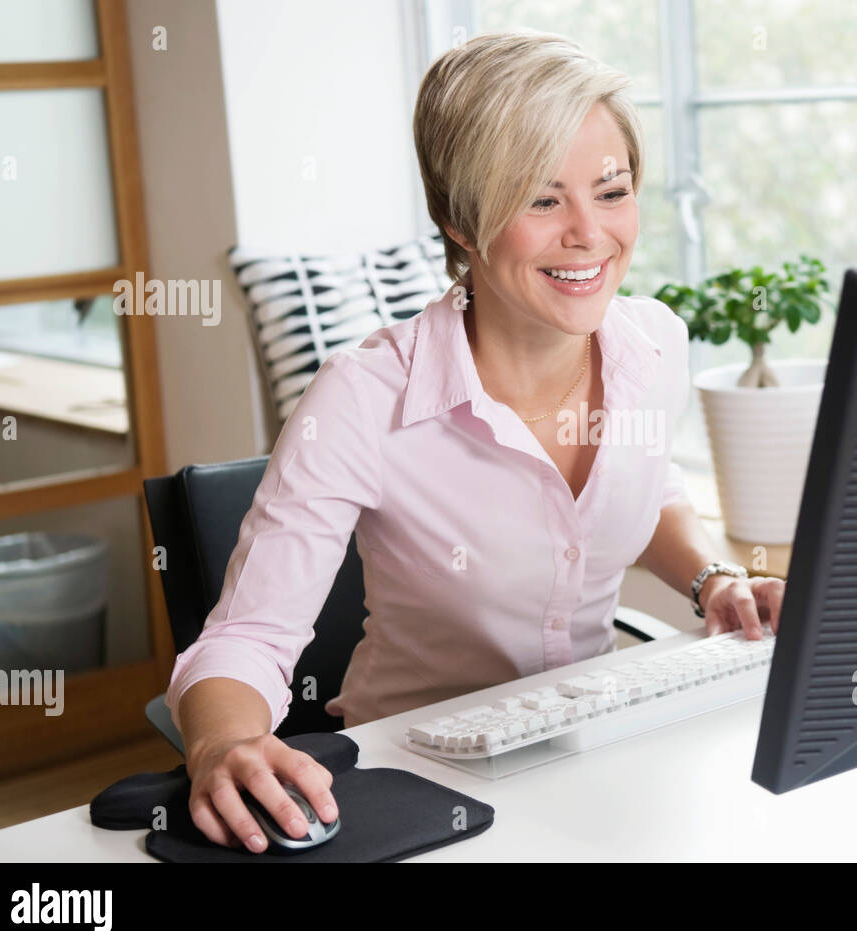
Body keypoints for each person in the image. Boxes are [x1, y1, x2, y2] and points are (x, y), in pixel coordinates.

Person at [166, 30, 785, 854]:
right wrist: (219, 742)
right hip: (422, 786)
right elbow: (248, 636)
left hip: (600, 752)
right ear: (459, 219)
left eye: (611, 190)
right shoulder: (363, 396)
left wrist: (713, 579)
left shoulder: (654, 344)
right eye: (541, 199)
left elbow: (651, 486)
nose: (589, 234)